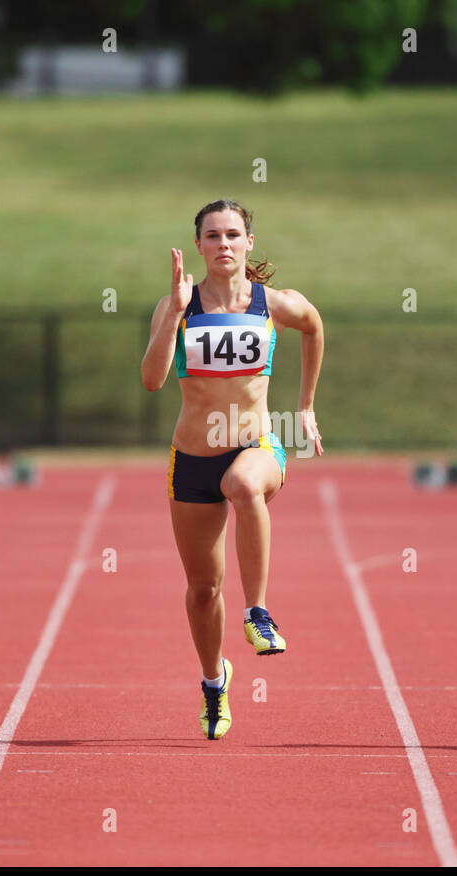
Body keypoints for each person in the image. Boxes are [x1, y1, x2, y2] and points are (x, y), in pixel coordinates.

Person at [141, 199, 324, 739]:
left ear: (249, 243)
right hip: (192, 458)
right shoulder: (178, 305)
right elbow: (152, 381)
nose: (223, 244)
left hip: (256, 446)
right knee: (202, 589)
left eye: (233, 234)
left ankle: (259, 612)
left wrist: (306, 406)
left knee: (243, 483)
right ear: (198, 245)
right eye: (213, 235)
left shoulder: (275, 304)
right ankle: (214, 682)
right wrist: (174, 312)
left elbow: (314, 328)